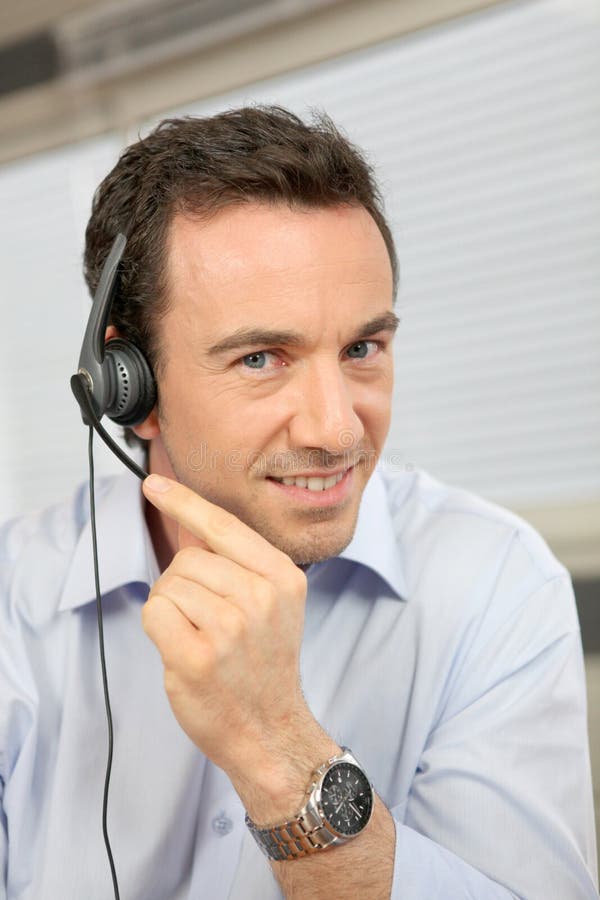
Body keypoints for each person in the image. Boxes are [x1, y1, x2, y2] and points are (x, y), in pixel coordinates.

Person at [0, 105, 597, 900]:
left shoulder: (498, 585)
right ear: (129, 387)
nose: (337, 427)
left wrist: (277, 747)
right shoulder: (15, 596)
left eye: (362, 349)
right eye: (261, 358)